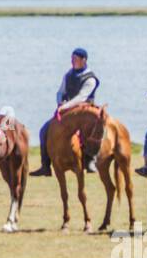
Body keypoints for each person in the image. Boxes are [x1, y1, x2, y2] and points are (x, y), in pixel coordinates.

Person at [31, 47, 100, 176]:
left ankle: (91, 160)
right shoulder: (68, 75)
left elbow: (82, 97)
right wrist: (60, 103)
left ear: (84, 60)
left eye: (75, 59)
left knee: (89, 131)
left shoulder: (91, 79)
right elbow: (60, 92)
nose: (72, 61)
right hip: (68, 110)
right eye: (71, 59)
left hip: (84, 110)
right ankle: (45, 165)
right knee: (44, 130)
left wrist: (65, 106)